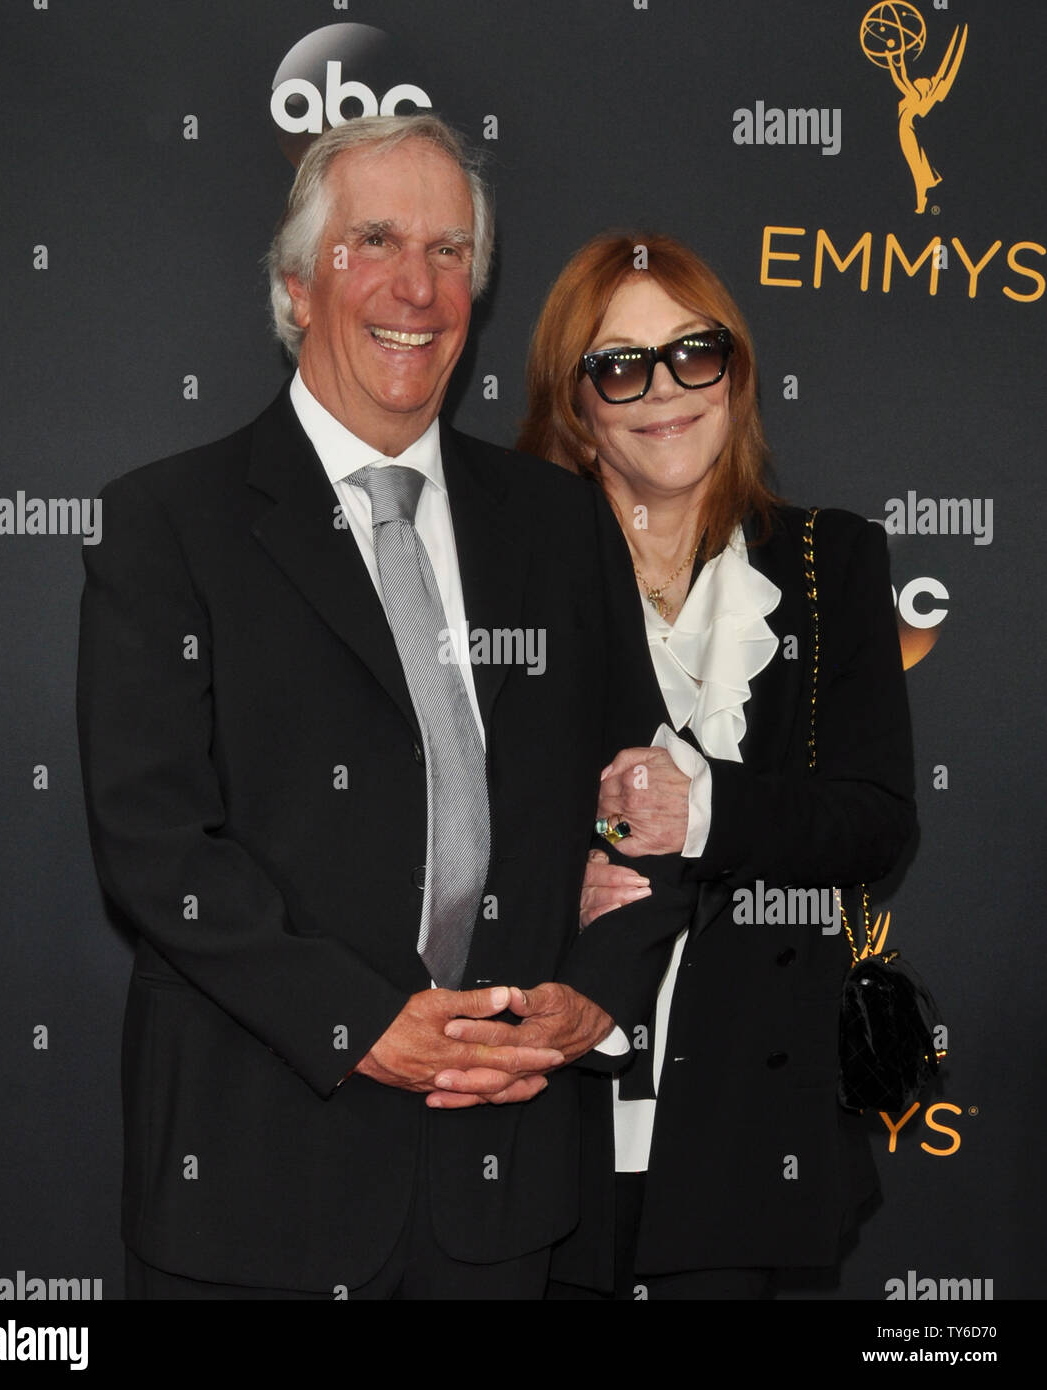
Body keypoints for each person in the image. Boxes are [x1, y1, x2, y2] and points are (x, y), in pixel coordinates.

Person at [76, 118, 695, 1299]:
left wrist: (594, 996)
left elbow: (645, 795)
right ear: (299, 286)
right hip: (255, 1193)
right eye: (375, 241)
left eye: (451, 250)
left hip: (506, 1193)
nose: (419, 286)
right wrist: (362, 1023)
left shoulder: (560, 526)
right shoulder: (169, 525)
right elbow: (155, 846)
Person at [517, 232, 916, 1299]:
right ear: (575, 403)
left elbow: (876, 821)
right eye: (621, 364)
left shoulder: (832, 563)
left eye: (695, 353)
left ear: (736, 373)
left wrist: (705, 814)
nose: (664, 392)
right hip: (544, 1139)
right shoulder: (508, 581)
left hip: (753, 1143)